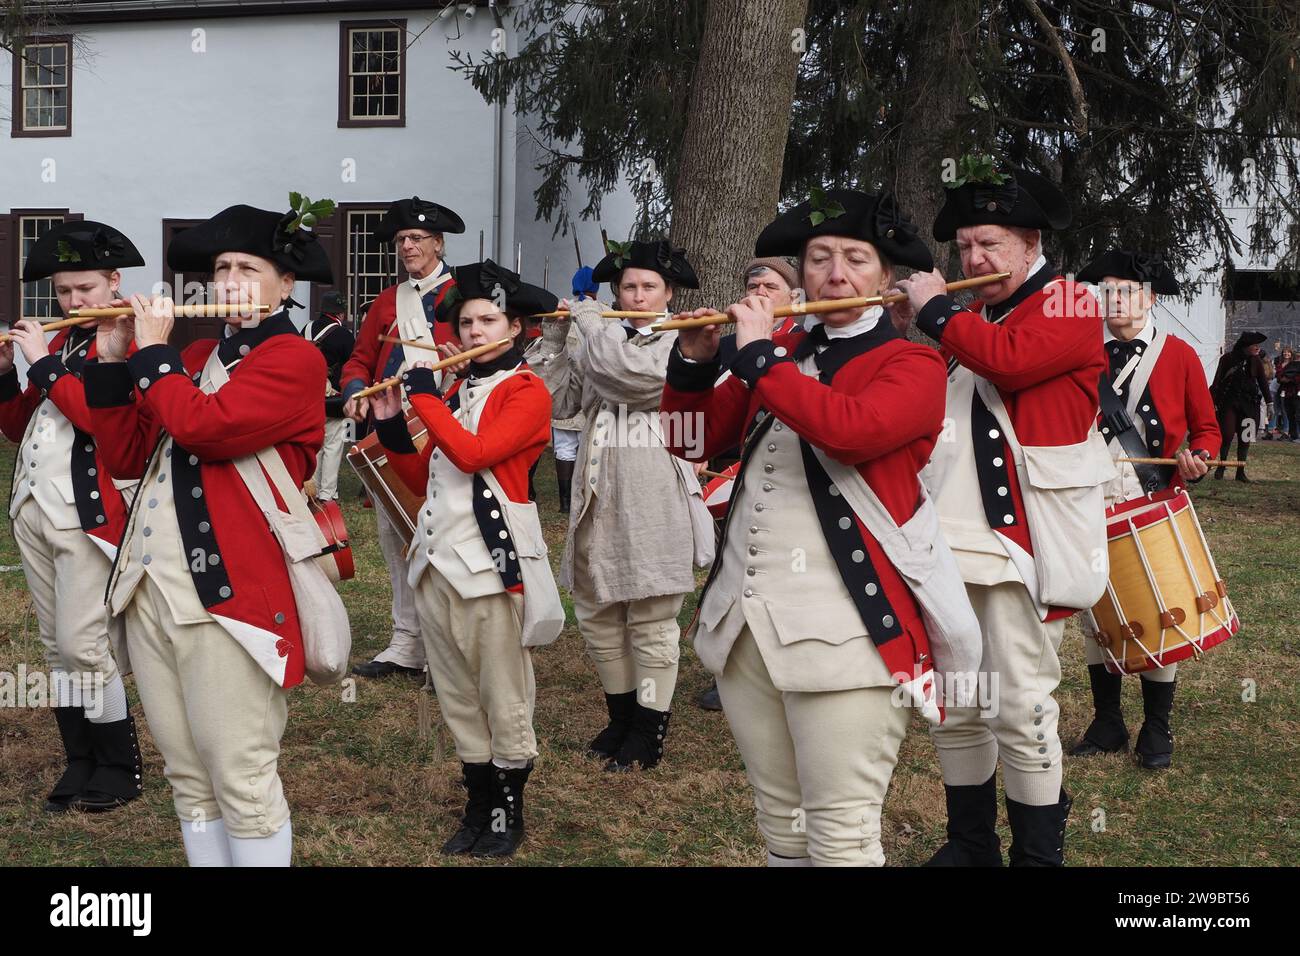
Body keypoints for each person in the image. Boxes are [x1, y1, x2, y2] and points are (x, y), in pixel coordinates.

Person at [662, 189, 963, 866]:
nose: (835, 272)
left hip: (849, 637)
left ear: (886, 282)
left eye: (856, 259)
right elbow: (689, 440)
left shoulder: (910, 364)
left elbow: (850, 433)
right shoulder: (780, 349)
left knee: (842, 836)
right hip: (748, 633)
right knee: (781, 828)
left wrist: (758, 354)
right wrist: (693, 358)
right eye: (819, 257)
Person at [83, 202, 332, 866]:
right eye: (221, 267)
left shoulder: (295, 359)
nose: (228, 278)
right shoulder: (193, 353)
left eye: (247, 267)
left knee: (241, 777)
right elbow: (129, 456)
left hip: (230, 601)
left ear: (286, 285)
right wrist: (111, 360)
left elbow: (207, 428)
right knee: (189, 779)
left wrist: (155, 354)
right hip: (152, 592)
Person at [893, 158, 1114, 866]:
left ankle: (1039, 854)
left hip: (1021, 541)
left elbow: (1012, 362)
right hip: (949, 541)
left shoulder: (1074, 302)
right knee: (956, 699)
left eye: (989, 244)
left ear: (1030, 244)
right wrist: (911, 328)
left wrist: (936, 312)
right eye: (964, 249)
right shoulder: (974, 314)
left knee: (1018, 705)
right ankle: (971, 843)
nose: (974, 259)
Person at [369, 260, 563, 857]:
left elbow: (475, 454)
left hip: (489, 568)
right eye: (467, 322)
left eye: (488, 320)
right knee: (454, 693)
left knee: (502, 692)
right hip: (435, 564)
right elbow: (421, 474)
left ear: (517, 327)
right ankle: (479, 803)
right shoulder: (456, 390)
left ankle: (509, 811)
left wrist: (424, 399)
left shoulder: (526, 390)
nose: (475, 331)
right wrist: (390, 423)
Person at [531, 240, 714, 771]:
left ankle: (650, 732)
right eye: (628, 287)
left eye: (647, 287)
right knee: (597, 611)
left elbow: (629, 379)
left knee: (653, 616)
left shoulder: (681, 339)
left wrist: (589, 323)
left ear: (668, 293)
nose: (636, 296)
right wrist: (556, 338)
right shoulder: (601, 336)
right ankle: (622, 717)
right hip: (596, 492)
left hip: (652, 489)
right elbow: (557, 403)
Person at [0, 220, 146, 814]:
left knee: (83, 644)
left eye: (85, 288)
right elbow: (17, 428)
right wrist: (9, 369)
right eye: (62, 292)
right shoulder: (62, 346)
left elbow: (96, 420)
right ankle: (79, 756)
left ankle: (119, 761)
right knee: (53, 646)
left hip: (89, 514)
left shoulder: (133, 344)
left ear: (114, 282)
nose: (73, 302)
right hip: (34, 507)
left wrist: (40, 365)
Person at [1070, 249, 1219, 769]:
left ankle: (1157, 726)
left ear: (1149, 298)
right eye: (1107, 291)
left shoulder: (1178, 354)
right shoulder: (1079, 350)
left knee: (1160, 607)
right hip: (1088, 493)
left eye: (1127, 291)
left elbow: (1207, 430)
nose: (1116, 301)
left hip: (1153, 495)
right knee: (1096, 605)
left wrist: (1198, 457)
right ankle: (1107, 722)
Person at [340, 196, 465, 679]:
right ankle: (406, 642)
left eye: (416, 238)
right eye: (401, 241)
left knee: (440, 536)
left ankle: (443, 649)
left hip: (443, 426)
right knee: (395, 536)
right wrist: (355, 391)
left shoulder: (464, 296)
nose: (408, 246)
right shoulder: (387, 303)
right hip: (391, 428)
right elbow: (358, 360)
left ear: (438, 242)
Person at [694, 254, 803, 714]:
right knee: (738, 574)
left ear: (795, 300)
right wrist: (691, 359)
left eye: (770, 288)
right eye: (752, 287)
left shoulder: (803, 341)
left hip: (795, 483)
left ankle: (789, 670)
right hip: (743, 476)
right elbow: (702, 422)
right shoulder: (734, 343)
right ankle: (734, 665)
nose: (758, 294)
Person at [303, 290, 355, 502]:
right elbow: (353, 364)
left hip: (306, 399)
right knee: (332, 445)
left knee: (312, 445)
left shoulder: (305, 329)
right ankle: (327, 493)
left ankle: (308, 491)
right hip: (333, 398)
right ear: (341, 313)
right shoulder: (344, 335)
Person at [1210, 331, 1271, 481]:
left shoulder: (1256, 361)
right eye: (1254, 345)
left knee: (1246, 437)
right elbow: (1217, 381)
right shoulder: (1227, 359)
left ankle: (1240, 471)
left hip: (1249, 405)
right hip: (1229, 403)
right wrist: (1212, 402)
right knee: (1227, 434)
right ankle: (1221, 466)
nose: (1257, 348)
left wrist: (1270, 402)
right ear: (1245, 346)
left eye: (1258, 345)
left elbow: (1263, 382)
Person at [1274, 347, 1299, 441]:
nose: (1286, 354)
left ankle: (1290, 433)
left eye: (1288, 352)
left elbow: (1295, 378)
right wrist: (1284, 378)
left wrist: (1288, 378)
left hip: (1295, 392)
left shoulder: (1294, 364)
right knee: (1288, 412)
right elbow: (1279, 377)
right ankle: (1291, 434)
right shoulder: (1283, 364)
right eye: (1284, 352)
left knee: (1294, 413)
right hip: (1284, 391)